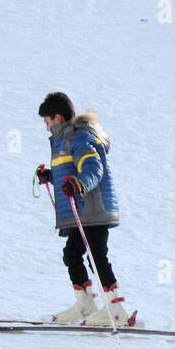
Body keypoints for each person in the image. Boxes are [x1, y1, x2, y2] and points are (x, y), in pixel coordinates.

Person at [32, 92, 133, 326]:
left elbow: (92, 168)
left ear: (57, 117)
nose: (46, 128)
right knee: (72, 255)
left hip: (94, 209)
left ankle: (116, 310)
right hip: (81, 211)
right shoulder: (64, 139)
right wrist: (52, 176)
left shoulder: (78, 138)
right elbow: (70, 170)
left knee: (97, 256)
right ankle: (86, 305)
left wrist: (79, 184)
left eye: (47, 122)